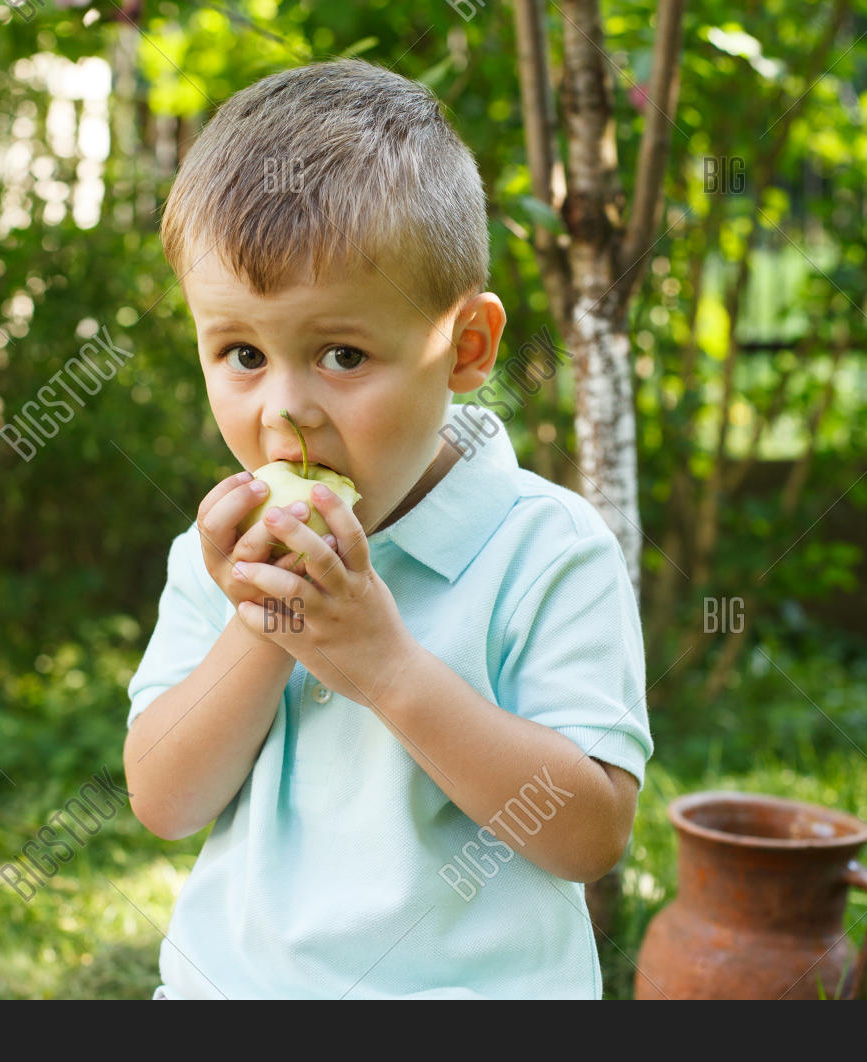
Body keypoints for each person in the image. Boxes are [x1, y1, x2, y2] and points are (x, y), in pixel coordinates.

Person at [125, 58, 653, 998]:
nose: (285, 412)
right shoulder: (224, 556)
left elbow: (590, 835)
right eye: (242, 353)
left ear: (466, 348)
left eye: (342, 354)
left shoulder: (546, 549)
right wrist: (263, 621)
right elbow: (166, 802)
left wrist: (388, 668)